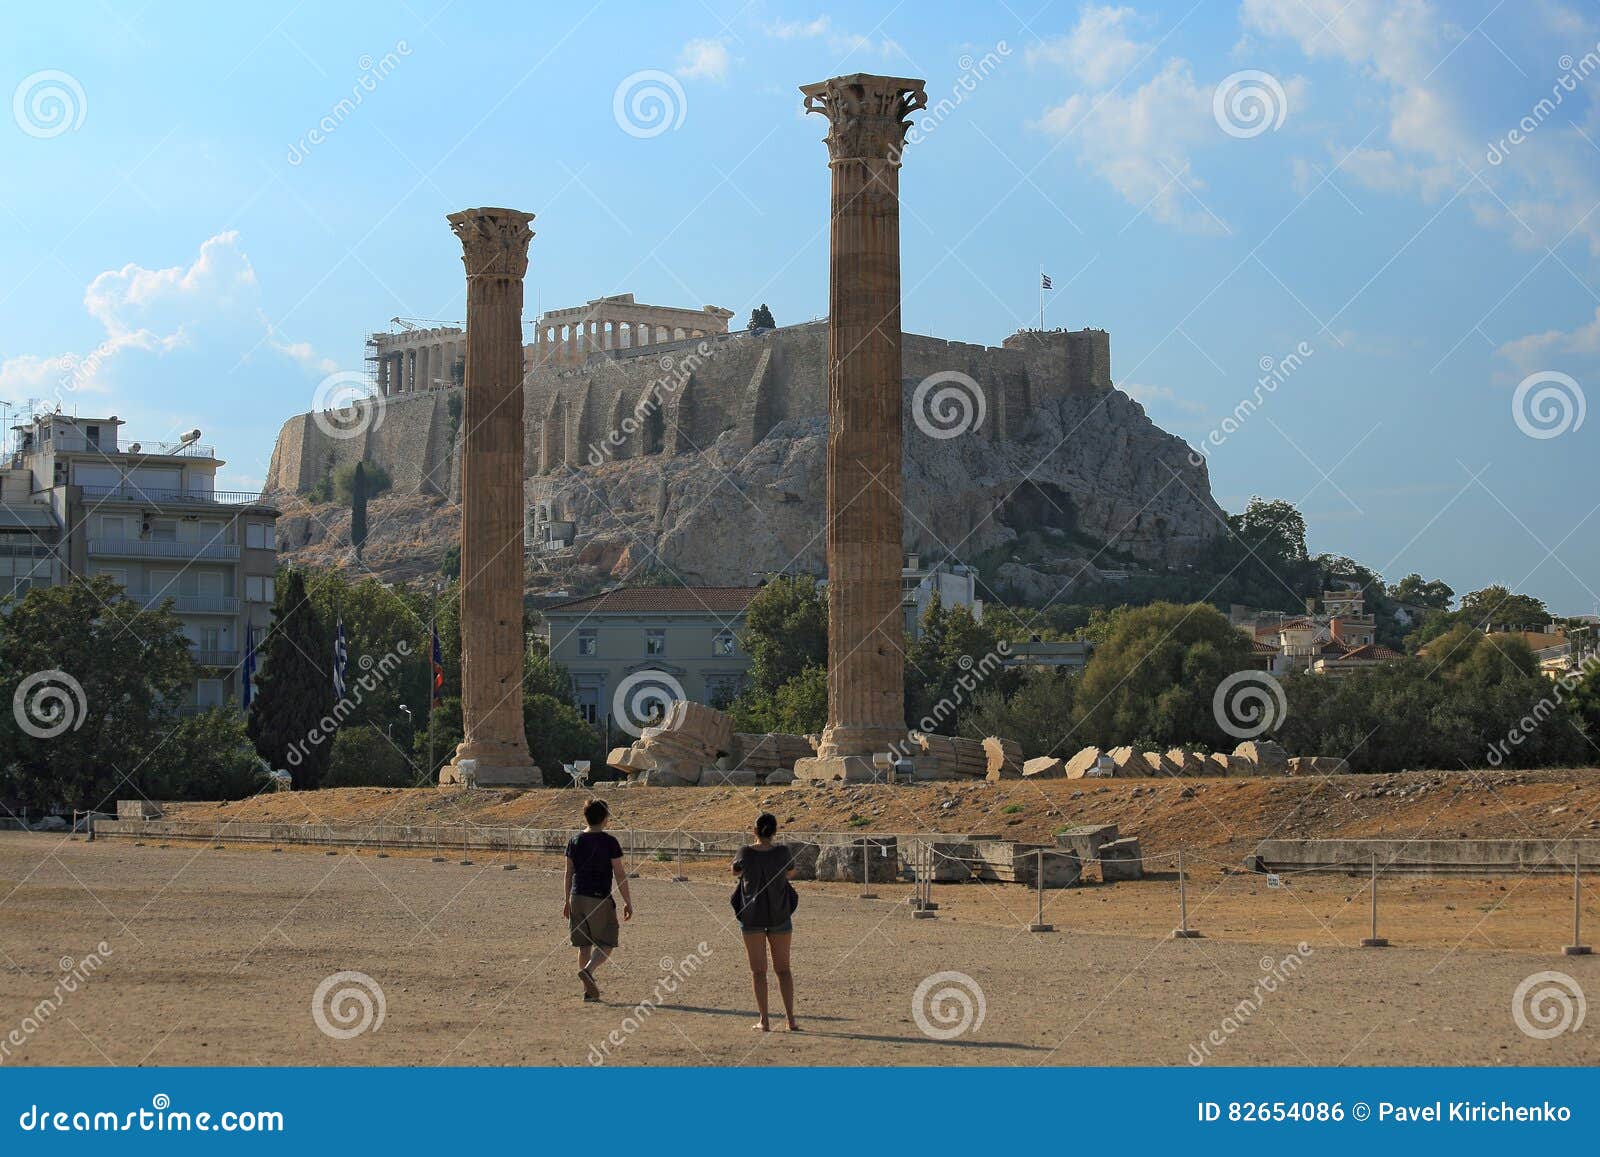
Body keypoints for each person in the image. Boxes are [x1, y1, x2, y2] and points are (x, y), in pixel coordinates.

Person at [732, 812, 799, 1032]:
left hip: (753, 916)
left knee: (758, 972)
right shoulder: (782, 852)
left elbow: (735, 871)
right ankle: (790, 1020)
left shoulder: (745, 852)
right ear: (775, 831)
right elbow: (791, 872)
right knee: (784, 970)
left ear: (754, 831)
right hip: (779, 913)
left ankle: (765, 1020)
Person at [563, 798, 633, 1002]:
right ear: (605, 818)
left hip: (577, 896)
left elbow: (568, 873)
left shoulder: (574, 841)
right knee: (607, 941)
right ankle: (589, 970)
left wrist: (566, 900)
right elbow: (619, 874)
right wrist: (627, 901)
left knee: (584, 945)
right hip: (599, 897)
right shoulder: (609, 842)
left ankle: (588, 990)